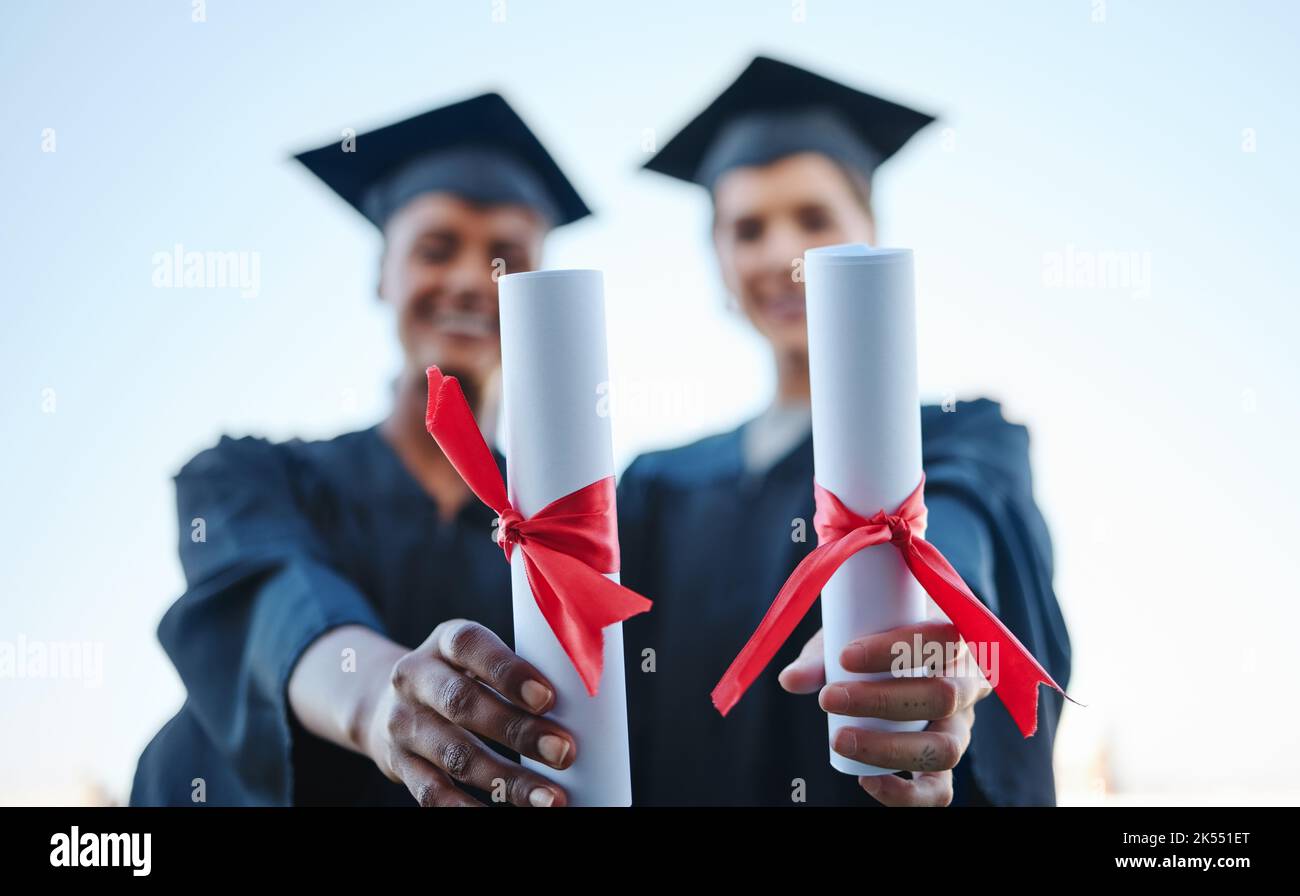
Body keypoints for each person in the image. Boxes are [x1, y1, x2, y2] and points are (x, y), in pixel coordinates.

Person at [617, 56, 1073, 806]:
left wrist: (931, 616)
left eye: (814, 219)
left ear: (870, 235)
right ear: (718, 262)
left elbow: (963, 516)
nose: (781, 254)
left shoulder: (964, 435)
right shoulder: (658, 485)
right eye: (747, 229)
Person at [130, 93, 595, 807]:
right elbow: (272, 597)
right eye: (436, 250)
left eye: (507, 260)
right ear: (381, 276)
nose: (474, 280)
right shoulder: (250, 478)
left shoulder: (567, 528)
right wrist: (381, 696)